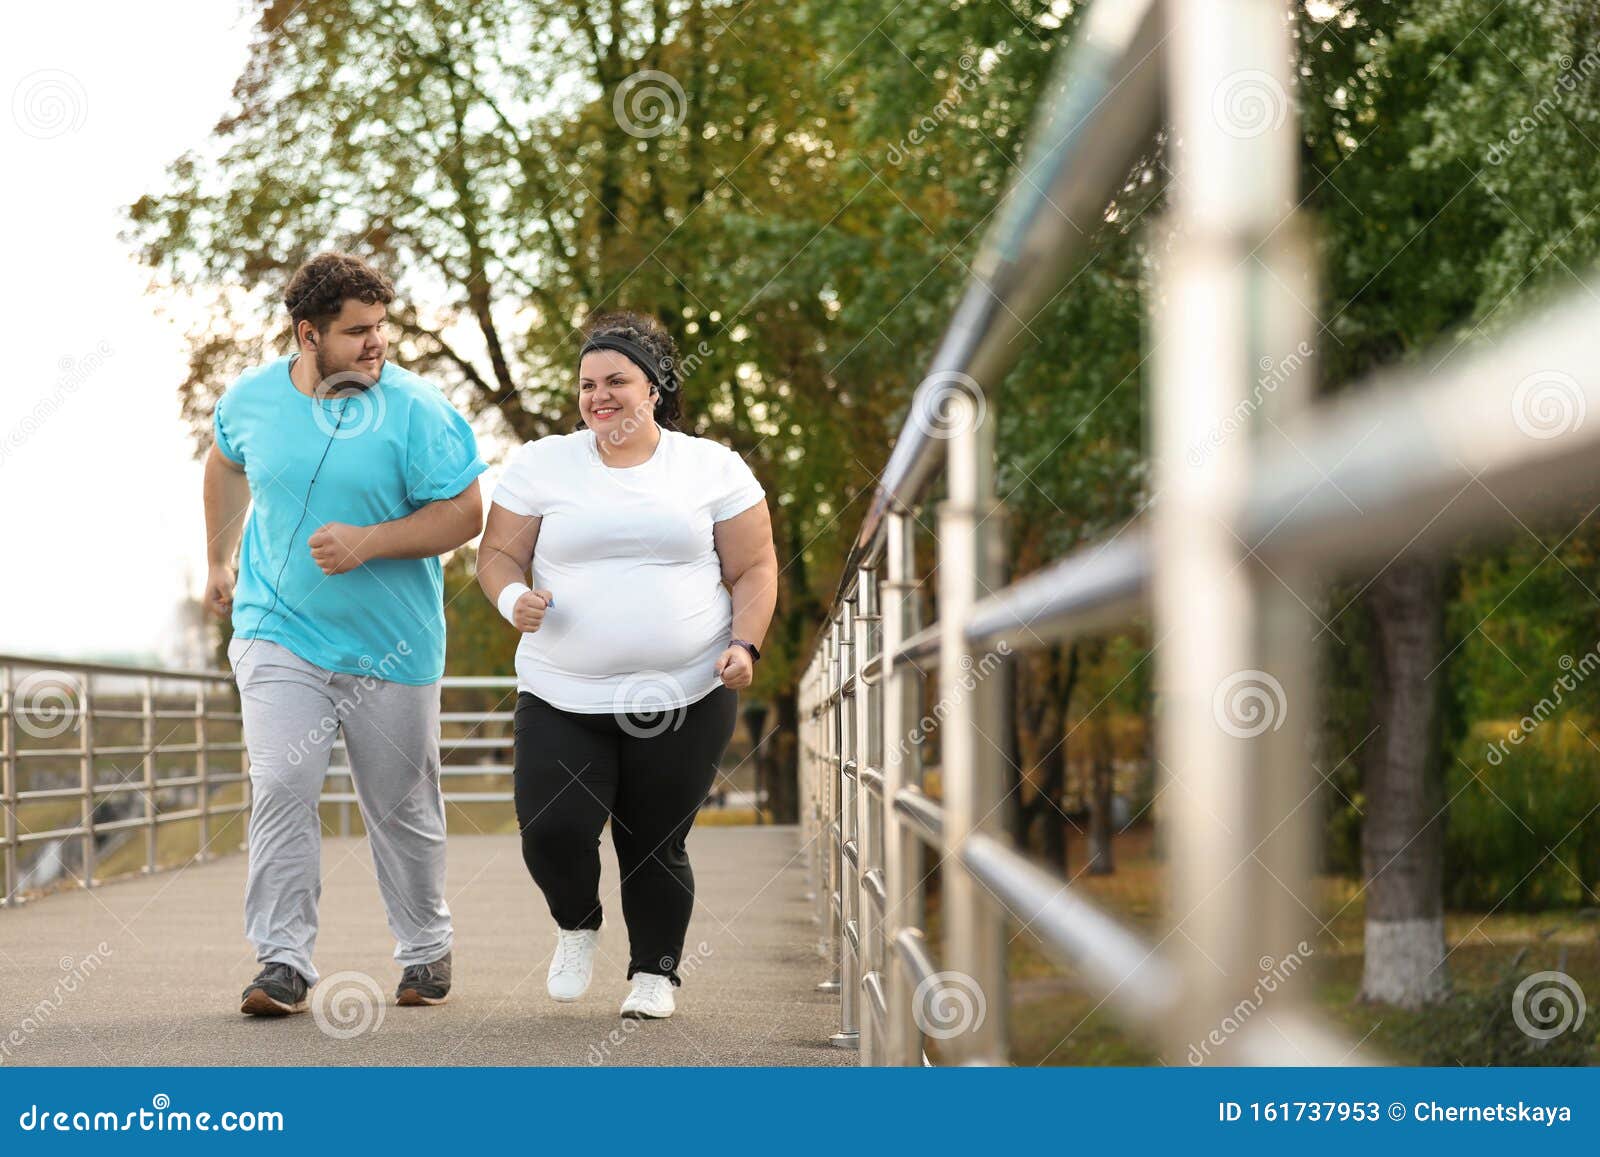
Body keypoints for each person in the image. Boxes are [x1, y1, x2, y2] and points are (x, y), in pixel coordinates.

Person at [203, 252, 486, 1016]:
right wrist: (218, 560)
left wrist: (371, 541)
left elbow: (466, 513)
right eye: (357, 331)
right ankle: (284, 959)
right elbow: (224, 461)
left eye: (380, 327)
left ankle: (425, 946)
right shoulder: (253, 400)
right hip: (277, 631)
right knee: (283, 786)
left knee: (400, 804)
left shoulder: (417, 409)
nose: (376, 343)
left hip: (392, 645)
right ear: (307, 335)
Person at [476, 310, 778, 1019]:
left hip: (685, 691)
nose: (597, 395)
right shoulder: (542, 463)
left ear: (656, 387)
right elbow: (497, 556)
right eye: (587, 383)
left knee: (655, 840)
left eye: (616, 379)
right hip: (562, 688)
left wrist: (746, 643)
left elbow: (755, 566)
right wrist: (513, 597)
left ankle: (654, 973)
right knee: (550, 828)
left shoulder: (711, 466)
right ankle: (577, 922)